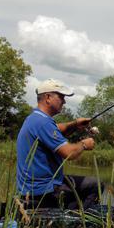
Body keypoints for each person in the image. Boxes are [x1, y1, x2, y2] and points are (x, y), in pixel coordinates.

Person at [16, 79, 101, 210]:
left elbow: (57, 129)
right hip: (45, 190)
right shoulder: (43, 123)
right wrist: (84, 144)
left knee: (86, 185)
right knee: (96, 185)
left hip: (33, 187)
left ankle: (70, 211)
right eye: (61, 97)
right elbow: (69, 153)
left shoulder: (35, 118)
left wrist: (75, 124)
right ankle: (76, 222)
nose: (64, 101)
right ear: (48, 97)